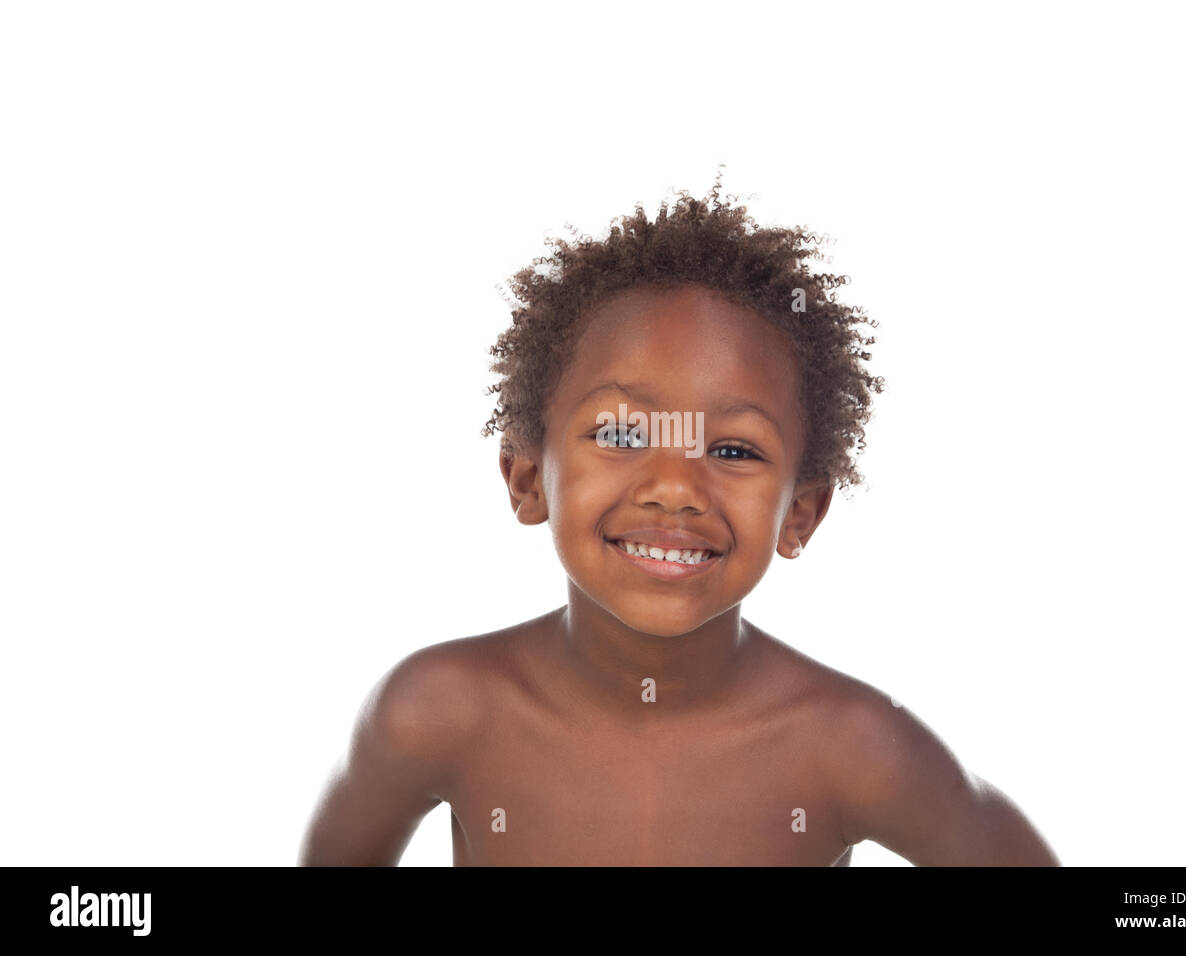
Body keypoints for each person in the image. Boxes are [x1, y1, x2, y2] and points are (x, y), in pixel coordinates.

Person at [299, 174, 1060, 866]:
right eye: (623, 433)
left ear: (802, 513)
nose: (673, 487)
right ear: (527, 478)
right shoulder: (440, 709)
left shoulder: (852, 747)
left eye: (732, 448)